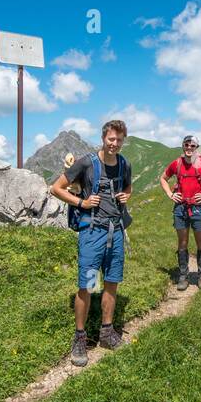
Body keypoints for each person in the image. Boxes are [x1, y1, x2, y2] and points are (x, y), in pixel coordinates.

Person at [49, 120, 133, 365]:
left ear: (122, 141)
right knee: (87, 285)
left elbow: (128, 187)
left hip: (116, 231)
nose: (114, 144)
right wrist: (81, 203)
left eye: (118, 140)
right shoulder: (86, 163)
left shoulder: (124, 164)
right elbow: (57, 188)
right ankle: (80, 338)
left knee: (111, 283)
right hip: (92, 232)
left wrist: (127, 194)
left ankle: (107, 332)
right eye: (111, 139)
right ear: (103, 137)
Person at [160, 135, 201, 290]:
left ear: (197, 147)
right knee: (182, 242)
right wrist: (170, 194)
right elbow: (163, 178)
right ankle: (184, 275)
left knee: (200, 241)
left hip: (198, 207)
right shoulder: (176, 163)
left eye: (192, 145)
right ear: (183, 146)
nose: (189, 148)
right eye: (186, 145)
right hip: (180, 207)